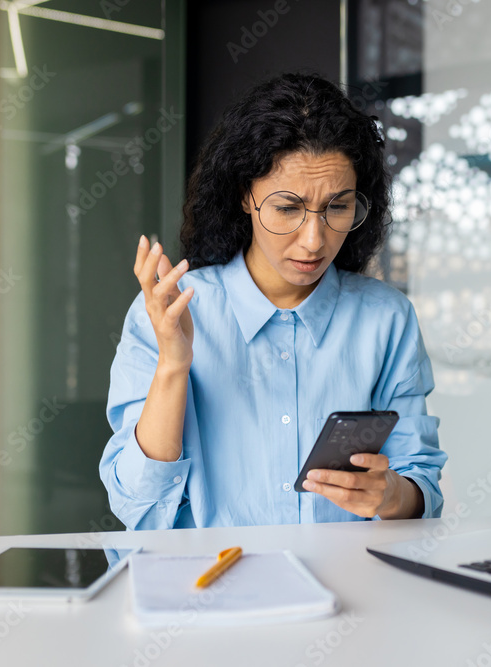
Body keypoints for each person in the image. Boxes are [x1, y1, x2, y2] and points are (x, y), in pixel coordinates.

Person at [99, 72, 447, 529]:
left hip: (343, 583)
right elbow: (136, 505)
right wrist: (173, 365)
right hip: (206, 586)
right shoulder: (174, 311)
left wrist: (389, 494)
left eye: (338, 207)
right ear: (245, 195)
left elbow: (422, 487)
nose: (313, 240)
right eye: (288, 208)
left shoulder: (385, 319)